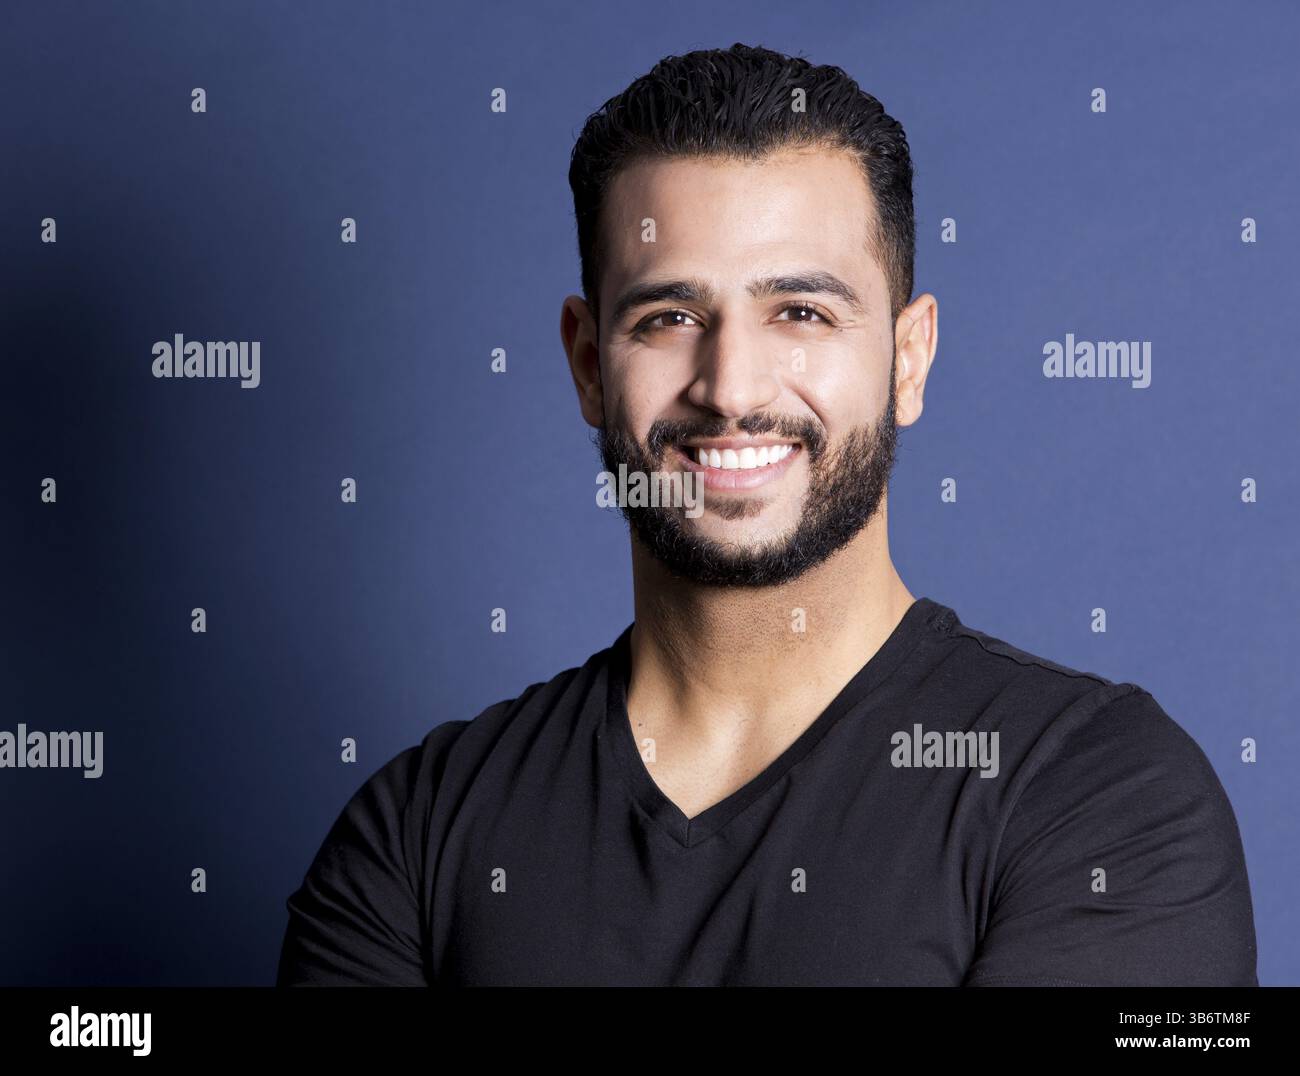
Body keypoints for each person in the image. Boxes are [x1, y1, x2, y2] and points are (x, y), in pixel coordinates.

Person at [276, 42, 1257, 987]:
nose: (730, 385)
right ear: (586, 362)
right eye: (668, 317)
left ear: (907, 359)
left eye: (800, 312)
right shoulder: (418, 831)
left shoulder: (1098, 794)